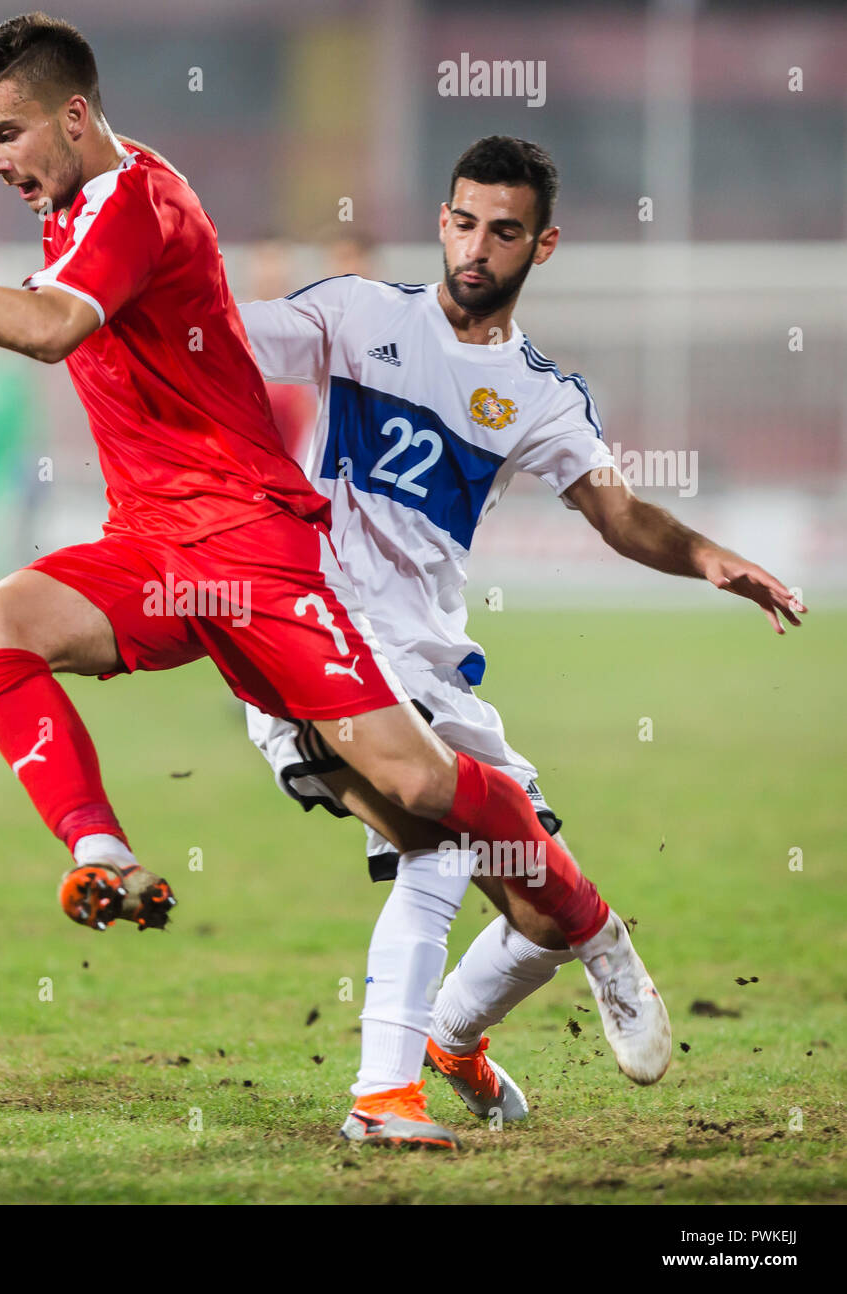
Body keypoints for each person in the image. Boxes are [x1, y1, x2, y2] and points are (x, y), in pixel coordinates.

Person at [0, 13, 664, 1149]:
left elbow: (53, 330)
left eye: (8, 138)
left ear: (75, 118)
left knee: (422, 789)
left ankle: (590, 928)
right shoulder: (83, 180)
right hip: (152, 543)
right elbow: (55, 113)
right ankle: (101, 851)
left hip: (247, 548)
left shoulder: (133, 205)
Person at [234, 135, 805, 1131]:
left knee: (540, 912)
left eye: (503, 231)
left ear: (542, 245)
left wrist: (705, 554)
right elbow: (220, 335)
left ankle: (448, 1037)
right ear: (442, 221)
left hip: (428, 667)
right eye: (463, 223)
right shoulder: (359, 316)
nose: (475, 247)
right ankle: (383, 1097)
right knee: (437, 842)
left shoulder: (538, 396)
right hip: (317, 638)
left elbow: (619, 512)